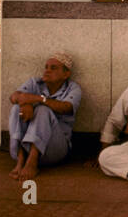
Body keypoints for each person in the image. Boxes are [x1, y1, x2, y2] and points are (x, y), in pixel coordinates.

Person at [8, 51, 82, 180]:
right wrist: (25, 104)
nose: (47, 71)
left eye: (53, 68)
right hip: (26, 146)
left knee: (43, 110)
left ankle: (32, 163)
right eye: (46, 67)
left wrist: (37, 99)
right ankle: (20, 161)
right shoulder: (35, 82)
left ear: (66, 74)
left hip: (54, 148)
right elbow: (14, 96)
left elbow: (66, 107)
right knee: (16, 108)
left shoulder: (73, 88)